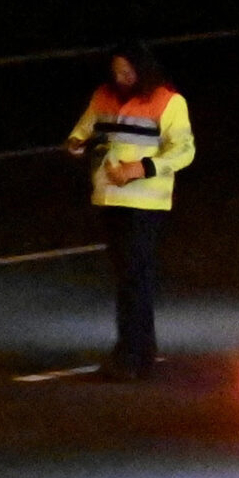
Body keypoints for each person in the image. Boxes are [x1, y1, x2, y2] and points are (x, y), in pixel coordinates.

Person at [64, 43, 195, 381]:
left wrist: (142, 168)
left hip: (145, 203)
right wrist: (76, 143)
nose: (122, 78)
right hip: (109, 198)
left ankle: (130, 354)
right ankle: (139, 352)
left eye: (128, 71)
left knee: (134, 280)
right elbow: (85, 128)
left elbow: (184, 151)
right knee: (129, 279)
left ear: (143, 69)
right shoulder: (103, 96)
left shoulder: (168, 101)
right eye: (117, 72)